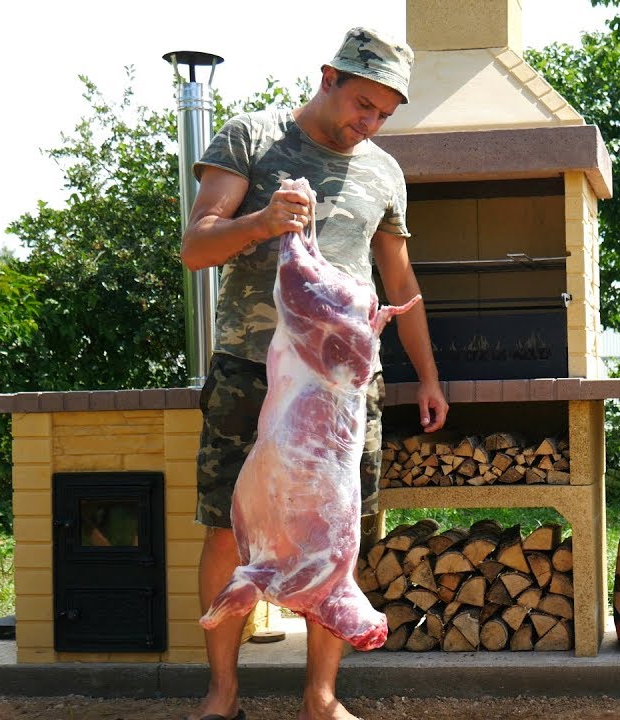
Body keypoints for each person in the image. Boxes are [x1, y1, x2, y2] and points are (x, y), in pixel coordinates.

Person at [179, 27, 448, 720]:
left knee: (339, 531)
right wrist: (265, 222)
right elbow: (196, 246)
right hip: (251, 371)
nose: (371, 123)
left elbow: (400, 278)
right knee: (224, 528)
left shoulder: (384, 171)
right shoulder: (251, 137)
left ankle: (321, 700)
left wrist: (428, 376)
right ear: (328, 77)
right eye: (363, 104)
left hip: (346, 386)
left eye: (384, 114)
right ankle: (222, 694)